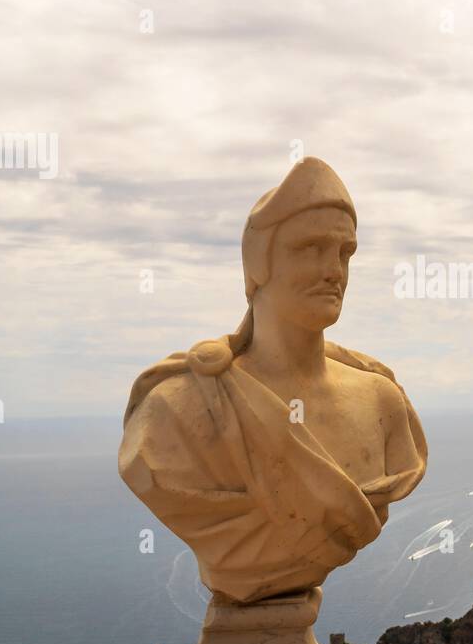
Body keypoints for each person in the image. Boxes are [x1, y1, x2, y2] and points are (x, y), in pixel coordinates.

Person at [119, 157, 427, 604]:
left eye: (344, 253)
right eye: (311, 248)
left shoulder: (383, 401)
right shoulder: (177, 406)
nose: (333, 270)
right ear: (258, 264)